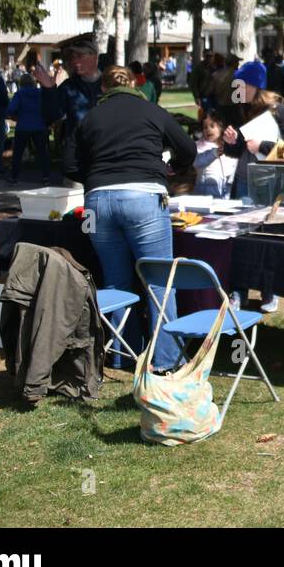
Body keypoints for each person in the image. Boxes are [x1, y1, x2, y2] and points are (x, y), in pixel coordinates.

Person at [67, 65, 196, 372]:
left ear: (103, 89)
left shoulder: (89, 118)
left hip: (98, 201)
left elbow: (69, 164)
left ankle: (123, 355)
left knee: (115, 280)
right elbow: (187, 149)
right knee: (160, 283)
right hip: (144, 196)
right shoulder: (152, 110)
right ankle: (167, 360)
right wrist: (172, 167)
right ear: (136, 84)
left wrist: (97, 177)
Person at [219, 60, 284, 313]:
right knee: (241, 237)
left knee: (266, 238)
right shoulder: (241, 109)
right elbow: (238, 150)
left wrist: (263, 146)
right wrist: (231, 142)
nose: (236, 89)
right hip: (244, 181)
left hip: (271, 183)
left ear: (254, 85)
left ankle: (269, 290)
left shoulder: (278, 111)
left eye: (240, 84)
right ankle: (238, 292)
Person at [31, 39, 103, 183]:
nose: (75, 61)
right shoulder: (69, 86)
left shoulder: (110, 82)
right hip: (78, 163)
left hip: (109, 159)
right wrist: (48, 89)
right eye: (73, 57)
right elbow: (51, 115)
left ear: (94, 57)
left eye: (80, 56)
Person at [6, 73, 51, 184]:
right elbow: (48, 107)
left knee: (18, 153)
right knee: (43, 152)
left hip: (23, 125)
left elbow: (11, 109)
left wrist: (15, 116)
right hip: (39, 125)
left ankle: (14, 177)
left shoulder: (20, 94)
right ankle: (46, 177)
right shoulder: (40, 93)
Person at [192, 110, 238, 199]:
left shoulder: (227, 146)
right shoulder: (199, 146)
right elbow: (197, 162)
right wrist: (214, 153)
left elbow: (233, 165)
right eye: (205, 127)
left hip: (225, 193)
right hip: (204, 193)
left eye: (212, 126)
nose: (208, 130)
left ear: (221, 127)